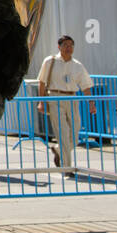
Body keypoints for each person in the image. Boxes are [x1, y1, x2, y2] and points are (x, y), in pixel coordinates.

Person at [37, 35, 93, 171]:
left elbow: (85, 85)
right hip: (55, 97)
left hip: (72, 98)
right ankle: (67, 167)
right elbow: (42, 82)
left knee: (74, 134)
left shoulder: (77, 66)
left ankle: (58, 150)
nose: (69, 48)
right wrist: (42, 102)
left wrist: (91, 103)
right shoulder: (50, 62)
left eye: (71, 45)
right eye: (65, 45)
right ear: (59, 47)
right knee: (62, 132)